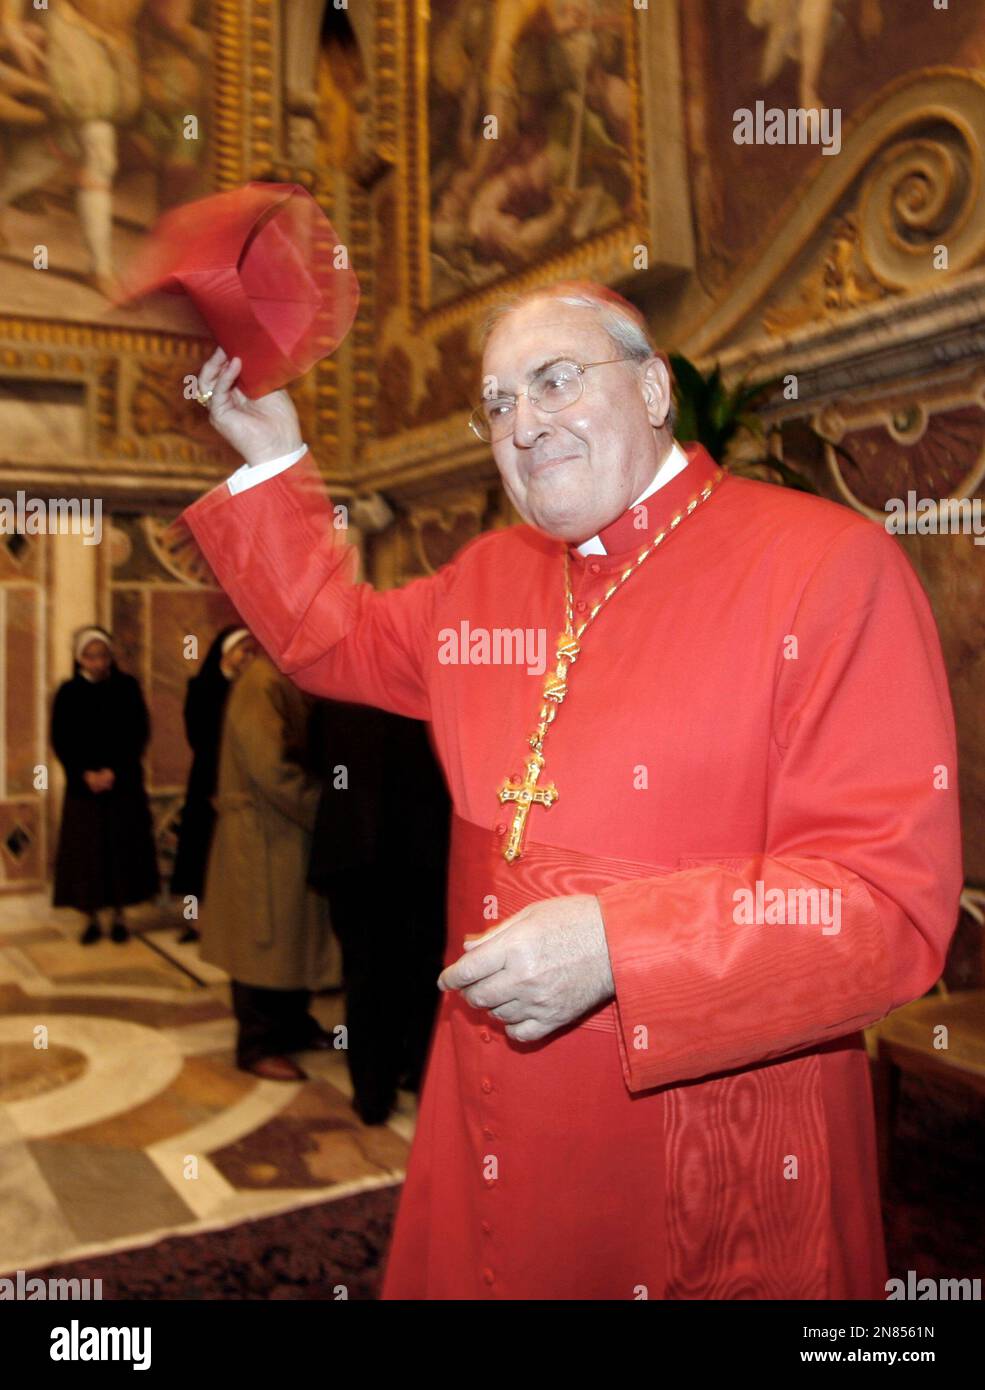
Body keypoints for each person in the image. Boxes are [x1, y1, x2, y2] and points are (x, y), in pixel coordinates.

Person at [177, 280, 962, 1300]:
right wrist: (273, 456)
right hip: (495, 1096)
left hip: (705, 1124)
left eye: (554, 381)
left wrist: (621, 950)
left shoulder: (824, 565)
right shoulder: (485, 580)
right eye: (498, 404)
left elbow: (885, 903)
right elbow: (332, 637)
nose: (523, 423)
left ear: (649, 389)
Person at [307, 701, 450, 1125]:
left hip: (355, 857)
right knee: (422, 977)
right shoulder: (429, 698)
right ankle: (421, 1083)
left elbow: (316, 758)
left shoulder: (339, 695)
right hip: (421, 859)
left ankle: (372, 1093)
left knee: (367, 978)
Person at [199, 648, 338, 1082]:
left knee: (292, 937)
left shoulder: (284, 674)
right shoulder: (262, 681)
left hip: (284, 835)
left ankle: (293, 1025)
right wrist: (327, 810)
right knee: (261, 940)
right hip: (263, 835)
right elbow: (271, 769)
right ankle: (256, 1042)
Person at [51, 625, 159, 944]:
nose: (97, 662)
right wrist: (84, 773)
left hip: (122, 784)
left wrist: (114, 771)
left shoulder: (126, 688)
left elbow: (138, 732)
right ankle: (92, 918)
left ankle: (121, 917)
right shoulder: (68, 693)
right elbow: (61, 738)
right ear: (79, 659)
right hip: (84, 788)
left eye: (102, 656)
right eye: (90, 656)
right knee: (88, 854)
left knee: (122, 852)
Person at [171, 624, 255, 943]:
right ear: (226, 652)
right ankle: (194, 922)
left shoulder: (253, 688)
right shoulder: (202, 686)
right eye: (242, 650)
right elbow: (199, 738)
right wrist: (217, 785)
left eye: (251, 651)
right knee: (196, 856)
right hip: (208, 778)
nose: (247, 656)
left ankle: (230, 921)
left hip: (243, 782)